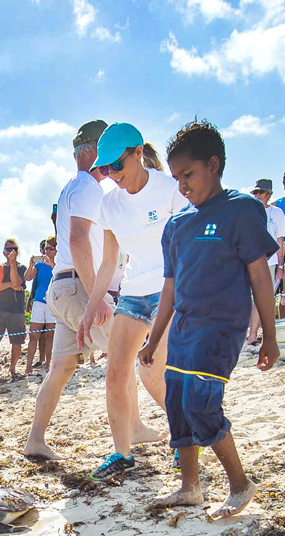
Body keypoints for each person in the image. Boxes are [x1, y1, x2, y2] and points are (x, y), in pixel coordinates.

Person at [137, 119, 278, 519]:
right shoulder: (177, 225)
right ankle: (189, 487)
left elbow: (259, 276)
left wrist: (270, 335)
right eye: (176, 177)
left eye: (188, 174)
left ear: (213, 164)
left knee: (202, 404)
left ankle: (239, 484)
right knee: (178, 404)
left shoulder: (242, 209)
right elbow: (169, 287)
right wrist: (154, 337)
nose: (182, 185)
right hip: (183, 328)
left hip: (220, 329)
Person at [78, 122, 186, 481]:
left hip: (171, 288)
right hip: (134, 292)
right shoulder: (110, 203)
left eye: (117, 165)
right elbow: (110, 262)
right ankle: (122, 454)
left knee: (152, 370)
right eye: (105, 169)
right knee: (115, 374)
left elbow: (189, 243)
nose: (112, 175)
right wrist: (89, 311)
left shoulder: (170, 190)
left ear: (138, 152)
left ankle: (183, 438)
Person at [23, 119, 110, 461]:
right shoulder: (89, 187)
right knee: (122, 353)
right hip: (77, 287)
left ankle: (35, 440)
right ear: (94, 151)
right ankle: (134, 427)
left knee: (60, 369)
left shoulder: (71, 186)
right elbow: (76, 240)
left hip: (58, 289)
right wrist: (97, 296)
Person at [246, 178, 285, 344]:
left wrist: (280, 265)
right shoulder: (247, 211)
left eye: (261, 192)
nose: (257, 195)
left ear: (269, 194)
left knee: (262, 299)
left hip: (268, 262)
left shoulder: (276, 213)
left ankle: (252, 336)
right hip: (246, 261)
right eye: (255, 192)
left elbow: (280, 241)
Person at [0, 238, 28, 379]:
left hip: (16, 310)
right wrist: (10, 284)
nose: (11, 252)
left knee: (17, 341)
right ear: (3, 252)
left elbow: (18, 282)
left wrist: (12, 265)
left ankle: (13, 368)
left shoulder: (21, 268)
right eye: (8, 249)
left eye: (14, 249)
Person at [24, 238, 56, 374]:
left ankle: (49, 364)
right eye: (45, 249)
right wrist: (31, 264)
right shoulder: (39, 265)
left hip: (53, 301)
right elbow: (27, 278)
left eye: (50, 248)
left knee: (50, 335)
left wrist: (52, 264)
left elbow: (60, 274)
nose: (46, 251)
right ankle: (28, 366)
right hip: (39, 300)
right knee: (33, 335)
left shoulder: (59, 263)